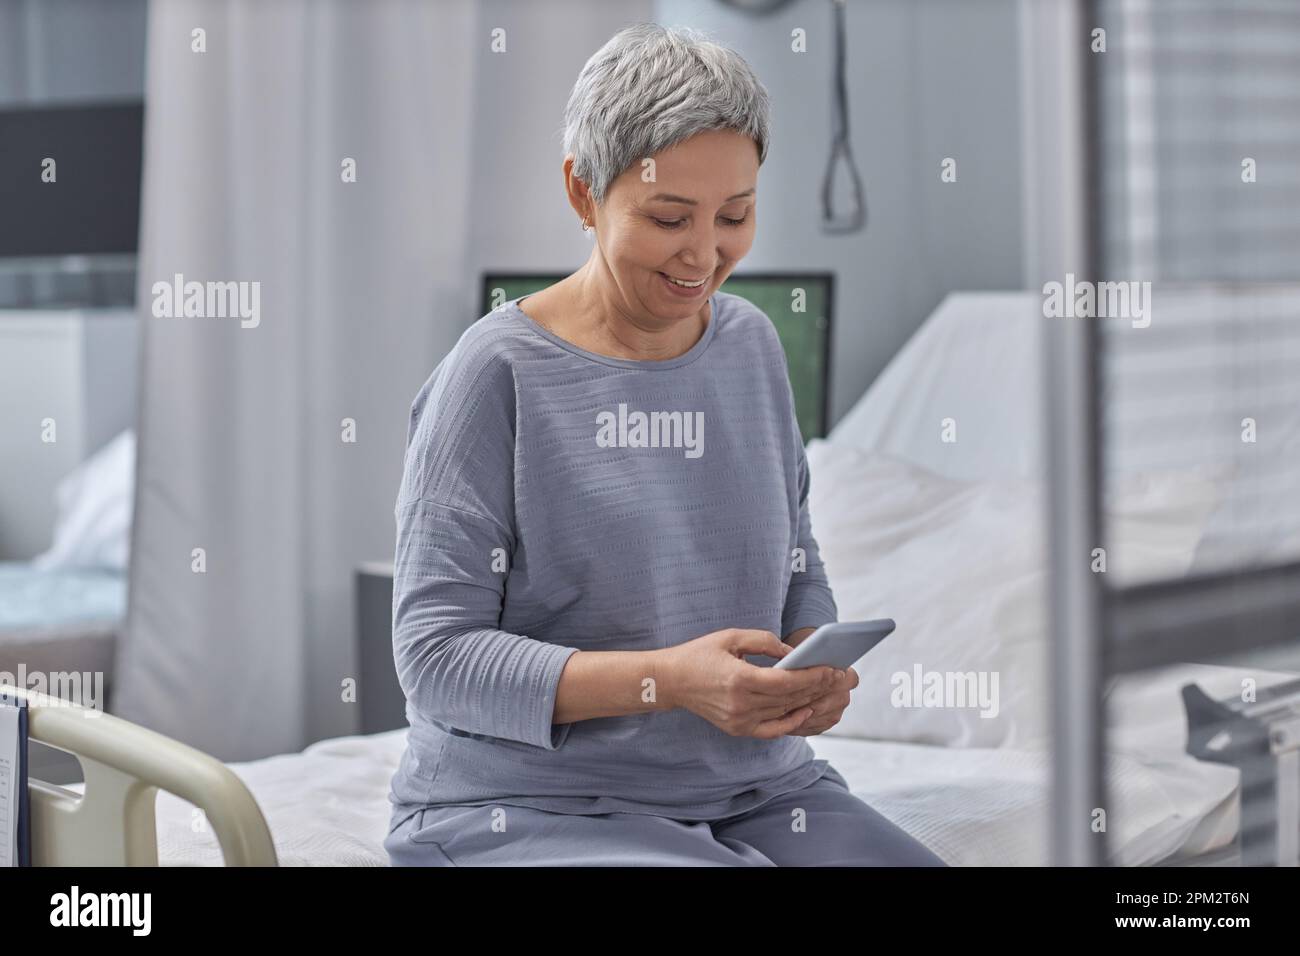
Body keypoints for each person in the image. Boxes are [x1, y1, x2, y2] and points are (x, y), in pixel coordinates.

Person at [384, 22, 946, 867]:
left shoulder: (751, 346)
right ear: (583, 193)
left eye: (735, 215)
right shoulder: (495, 373)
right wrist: (670, 680)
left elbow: (795, 563)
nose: (705, 254)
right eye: (669, 216)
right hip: (528, 806)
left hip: (760, 791)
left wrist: (810, 659)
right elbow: (436, 659)